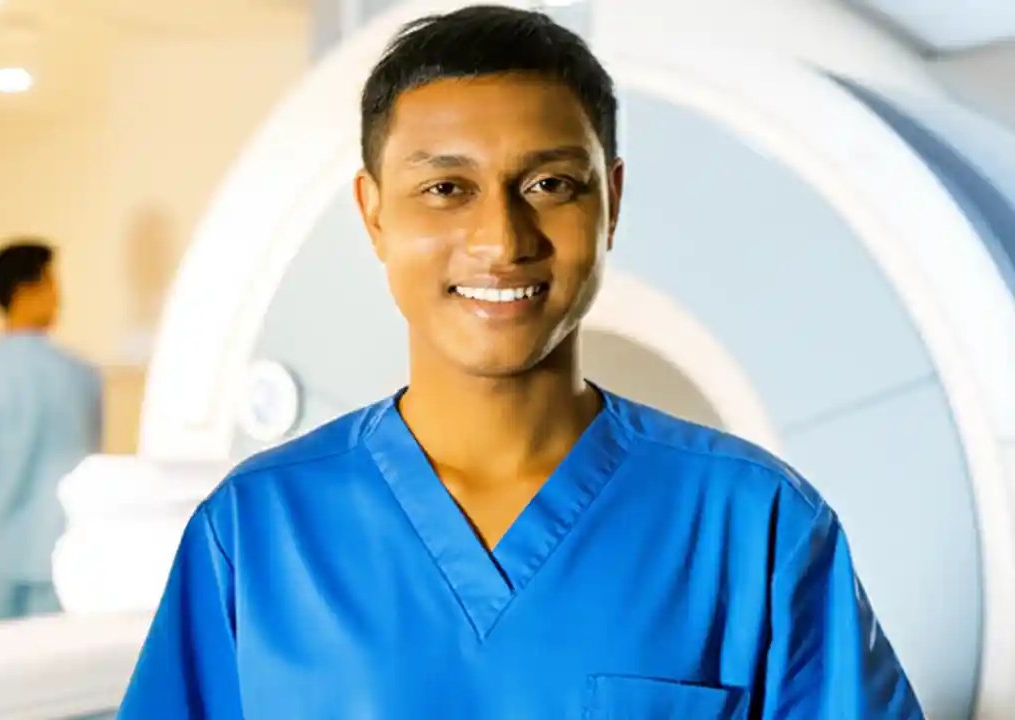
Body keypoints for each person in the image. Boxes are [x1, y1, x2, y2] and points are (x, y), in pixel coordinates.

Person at [119, 6, 923, 718]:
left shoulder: (753, 524)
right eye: (445, 189)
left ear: (610, 203)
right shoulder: (258, 534)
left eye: (548, 183)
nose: (502, 240)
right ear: (372, 213)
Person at [0, 239, 102, 623]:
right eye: (52, 283)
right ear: (30, 289)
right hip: (67, 572)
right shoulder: (83, 380)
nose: (60, 296)